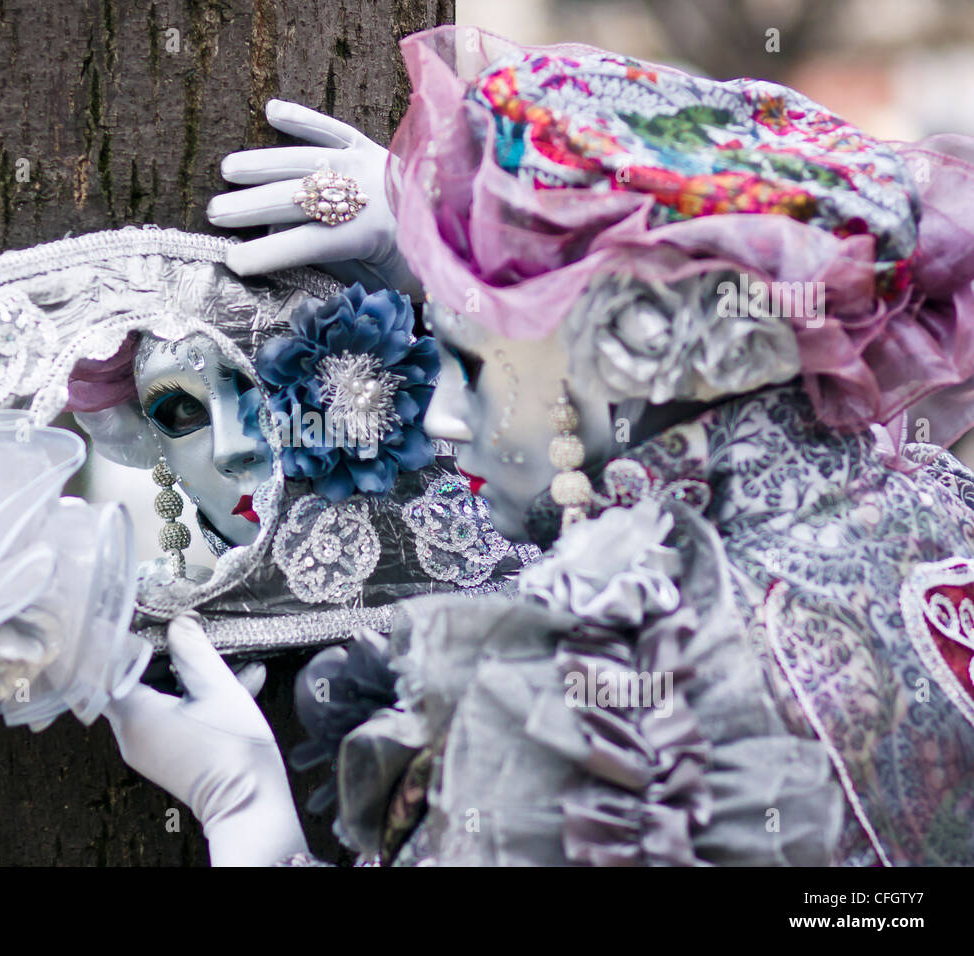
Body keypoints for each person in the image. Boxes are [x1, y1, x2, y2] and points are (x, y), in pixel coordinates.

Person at [103, 26, 974, 865]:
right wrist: (456, 248)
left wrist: (249, 816)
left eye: (473, 368)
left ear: (630, 355)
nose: (440, 416)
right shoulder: (931, 513)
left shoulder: (591, 714)